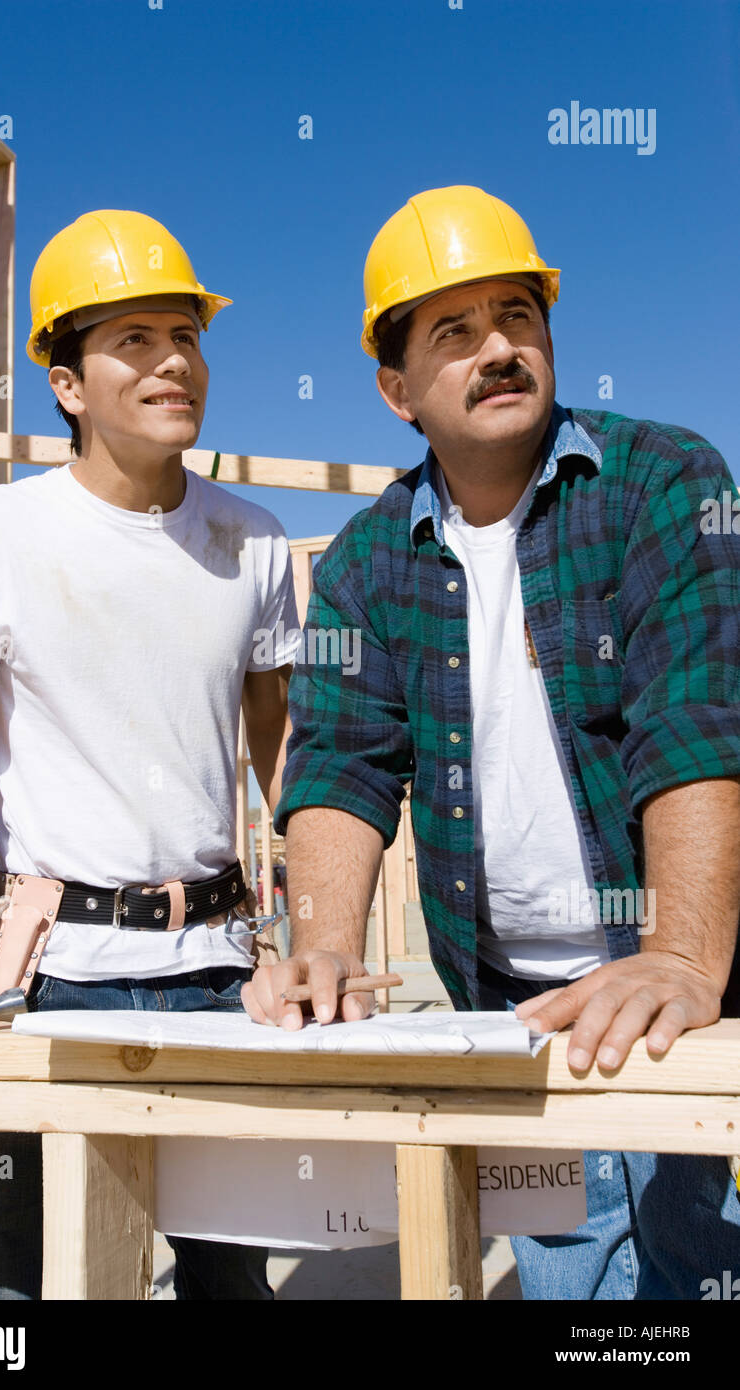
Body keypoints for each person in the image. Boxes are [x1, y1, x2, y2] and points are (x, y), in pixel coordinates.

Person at [243, 185, 740, 1299]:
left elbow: (695, 720)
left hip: (688, 1008)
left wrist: (679, 959)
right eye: (453, 332)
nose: (497, 348)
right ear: (394, 389)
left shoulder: (662, 483)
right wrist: (319, 946)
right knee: (575, 1299)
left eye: (516, 315)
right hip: (514, 1021)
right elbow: (339, 762)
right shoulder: (369, 561)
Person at [0, 209, 300, 1299]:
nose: (174, 361)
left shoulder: (250, 541)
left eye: (187, 335)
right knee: (2, 1298)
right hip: (46, 974)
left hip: (214, 971)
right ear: (66, 385)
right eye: (135, 340)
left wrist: (312, 937)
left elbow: (283, 753)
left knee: (228, 1286)